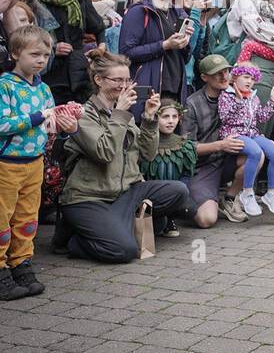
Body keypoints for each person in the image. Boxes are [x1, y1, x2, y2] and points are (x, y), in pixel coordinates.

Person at [57, 47, 195, 262]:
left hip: (125, 191)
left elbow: (148, 154)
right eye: (117, 80)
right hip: (90, 196)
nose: (123, 86)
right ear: (99, 80)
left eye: (127, 80)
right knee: (123, 250)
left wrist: (149, 119)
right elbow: (103, 152)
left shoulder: (124, 114)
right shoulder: (84, 114)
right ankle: (74, 240)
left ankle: (118, 224)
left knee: (178, 191)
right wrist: (120, 113)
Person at [0, 26, 62, 299]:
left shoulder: (44, 87)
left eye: (46, 55)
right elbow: (2, 124)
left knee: (27, 216)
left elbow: (49, 123)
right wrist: (38, 117)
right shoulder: (5, 85)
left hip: (34, 162)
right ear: (15, 53)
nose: (41, 60)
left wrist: (62, 120)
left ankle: (21, 261)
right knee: (3, 217)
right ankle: (0, 267)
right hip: (7, 163)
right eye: (34, 54)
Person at [119, 0, 194, 120]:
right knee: (145, 135)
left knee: (169, 140)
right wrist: (164, 45)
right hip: (148, 86)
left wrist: (185, 43)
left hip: (175, 87)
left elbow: (184, 59)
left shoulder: (178, 13)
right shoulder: (140, 11)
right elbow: (126, 53)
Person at [27, 0, 104, 105]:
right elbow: (26, 38)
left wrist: (101, 47)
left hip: (78, 72)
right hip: (49, 71)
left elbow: (98, 27)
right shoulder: (33, 4)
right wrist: (53, 48)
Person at [182, 55, 247, 227]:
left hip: (227, 159)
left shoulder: (236, 94)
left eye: (226, 71)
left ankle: (230, 198)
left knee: (257, 155)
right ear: (204, 77)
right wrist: (220, 145)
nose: (224, 76)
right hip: (202, 167)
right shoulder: (192, 103)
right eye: (217, 73)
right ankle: (199, 197)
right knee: (206, 220)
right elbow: (187, 147)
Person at [219, 64, 274, 217]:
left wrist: (272, 101)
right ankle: (247, 192)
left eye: (253, 79)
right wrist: (238, 100)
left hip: (251, 133)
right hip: (234, 133)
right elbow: (224, 117)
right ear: (235, 77)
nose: (249, 82)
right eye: (246, 77)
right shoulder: (227, 94)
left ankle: (271, 193)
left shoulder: (253, 96)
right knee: (255, 152)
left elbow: (261, 117)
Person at [139, 98, 196, 239]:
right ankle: (155, 218)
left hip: (175, 192)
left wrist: (182, 190)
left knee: (191, 210)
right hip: (152, 194)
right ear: (155, 117)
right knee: (156, 227)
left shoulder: (184, 145)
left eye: (174, 116)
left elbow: (187, 174)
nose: (171, 121)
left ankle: (171, 219)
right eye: (165, 116)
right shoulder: (146, 143)